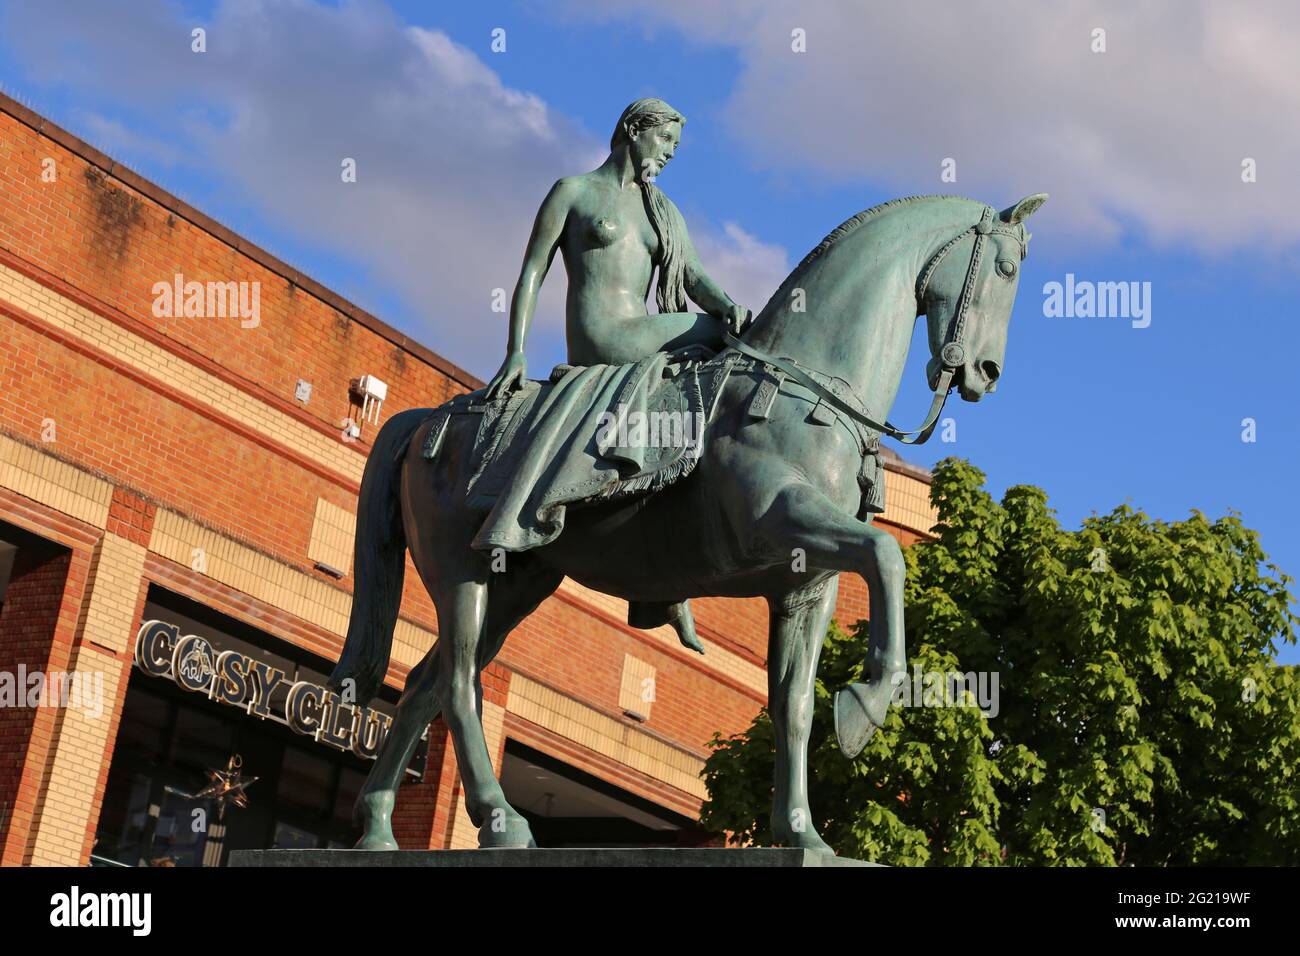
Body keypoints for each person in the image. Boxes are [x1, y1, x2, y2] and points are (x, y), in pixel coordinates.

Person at [484, 97, 751, 653]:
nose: (670, 154)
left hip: (643, 332)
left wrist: (727, 304)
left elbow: (695, 275)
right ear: (634, 129)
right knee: (714, 340)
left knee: (717, 349)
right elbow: (532, 271)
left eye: (676, 147)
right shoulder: (574, 192)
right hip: (603, 337)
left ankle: (662, 542)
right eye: (665, 141)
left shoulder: (661, 211)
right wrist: (516, 352)